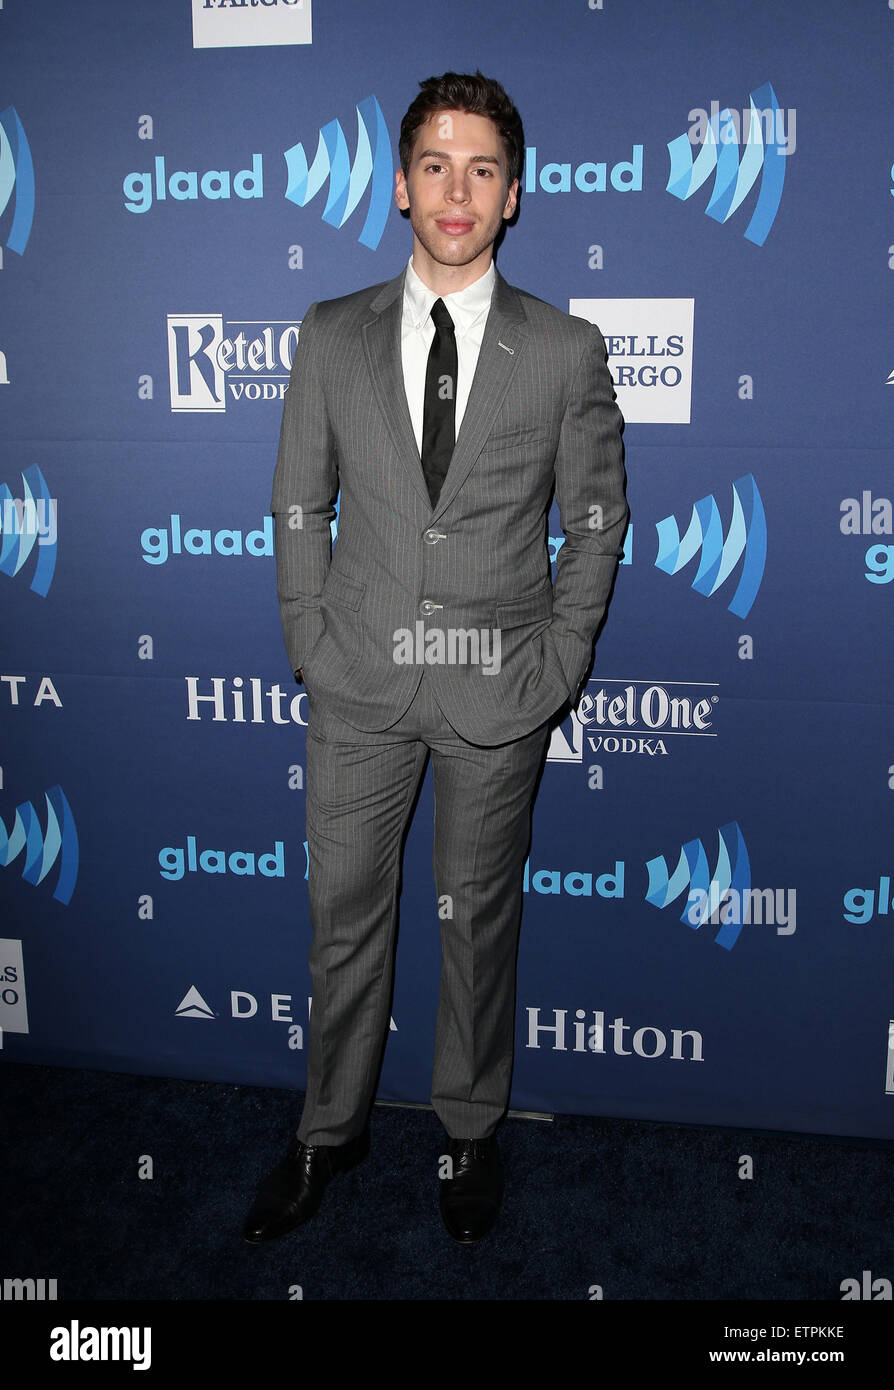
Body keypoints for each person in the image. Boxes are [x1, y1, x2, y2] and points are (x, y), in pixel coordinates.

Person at [243, 70, 627, 1245]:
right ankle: (328, 1130)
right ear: (399, 183)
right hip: (356, 682)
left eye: (482, 168)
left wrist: (557, 667)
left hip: (497, 693)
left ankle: (467, 1131)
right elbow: (298, 506)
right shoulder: (330, 334)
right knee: (342, 920)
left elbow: (597, 521)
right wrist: (310, 641)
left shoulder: (565, 348)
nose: (457, 191)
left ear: (514, 194)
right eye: (435, 165)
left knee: (477, 923)